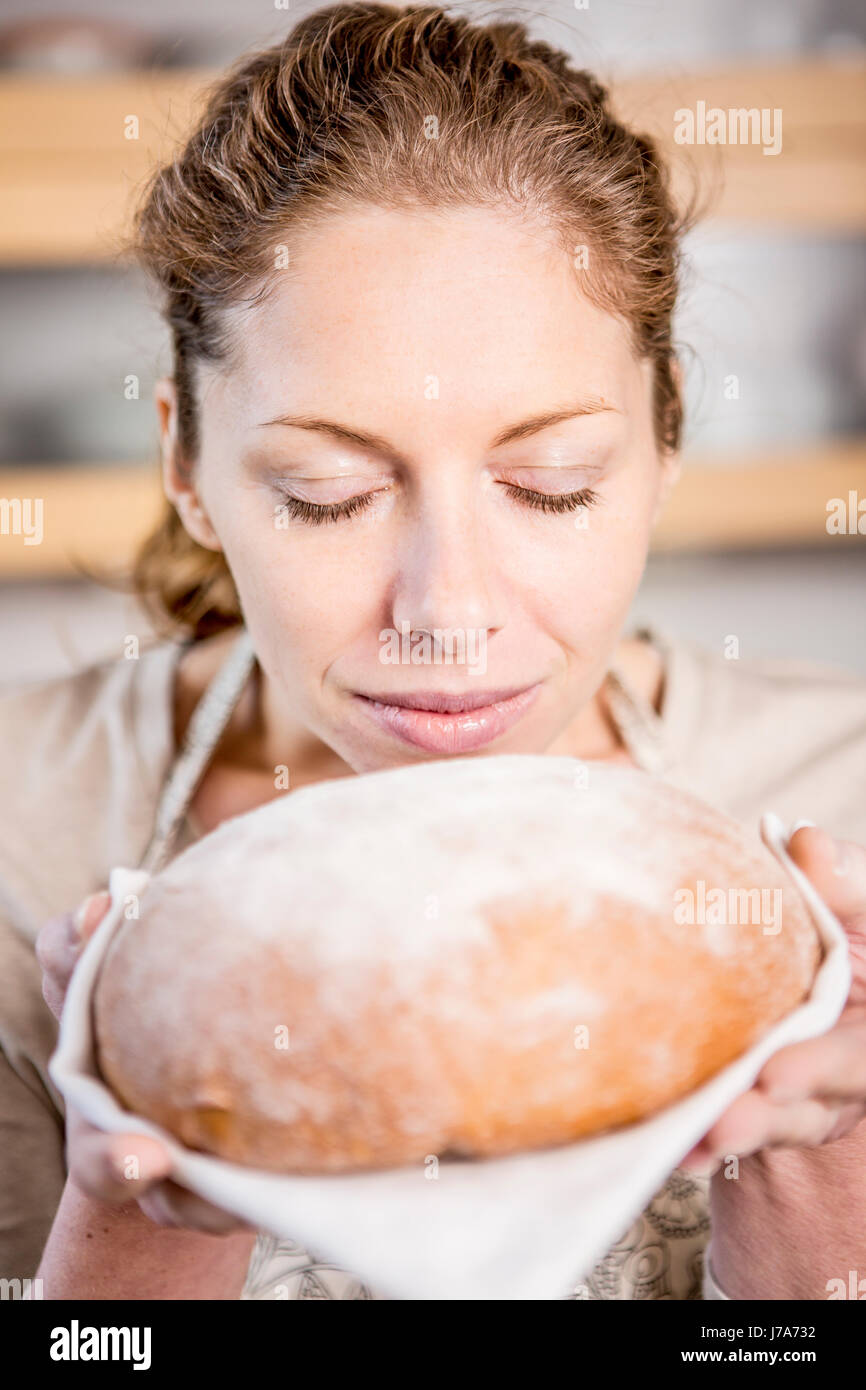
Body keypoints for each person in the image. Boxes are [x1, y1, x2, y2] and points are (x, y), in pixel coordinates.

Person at [1, 3, 864, 1302]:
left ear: (664, 444)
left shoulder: (843, 801)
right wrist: (141, 1216)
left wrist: (817, 1182)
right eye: (326, 491)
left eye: (553, 482)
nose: (444, 613)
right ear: (184, 464)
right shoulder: (24, 839)